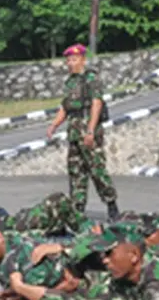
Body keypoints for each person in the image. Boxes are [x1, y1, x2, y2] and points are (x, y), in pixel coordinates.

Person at [46, 43, 120, 221]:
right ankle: (77, 210)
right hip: (73, 132)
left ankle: (111, 205)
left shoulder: (91, 78)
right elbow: (66, 107)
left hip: (88, 130)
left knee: (96, 170)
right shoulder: (70, 82)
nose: (70, 63)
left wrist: (90, 130)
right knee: (76, 172)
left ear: (83, 60)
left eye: (74, 59)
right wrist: (54, 125)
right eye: (68, 60)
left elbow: (97, 103)